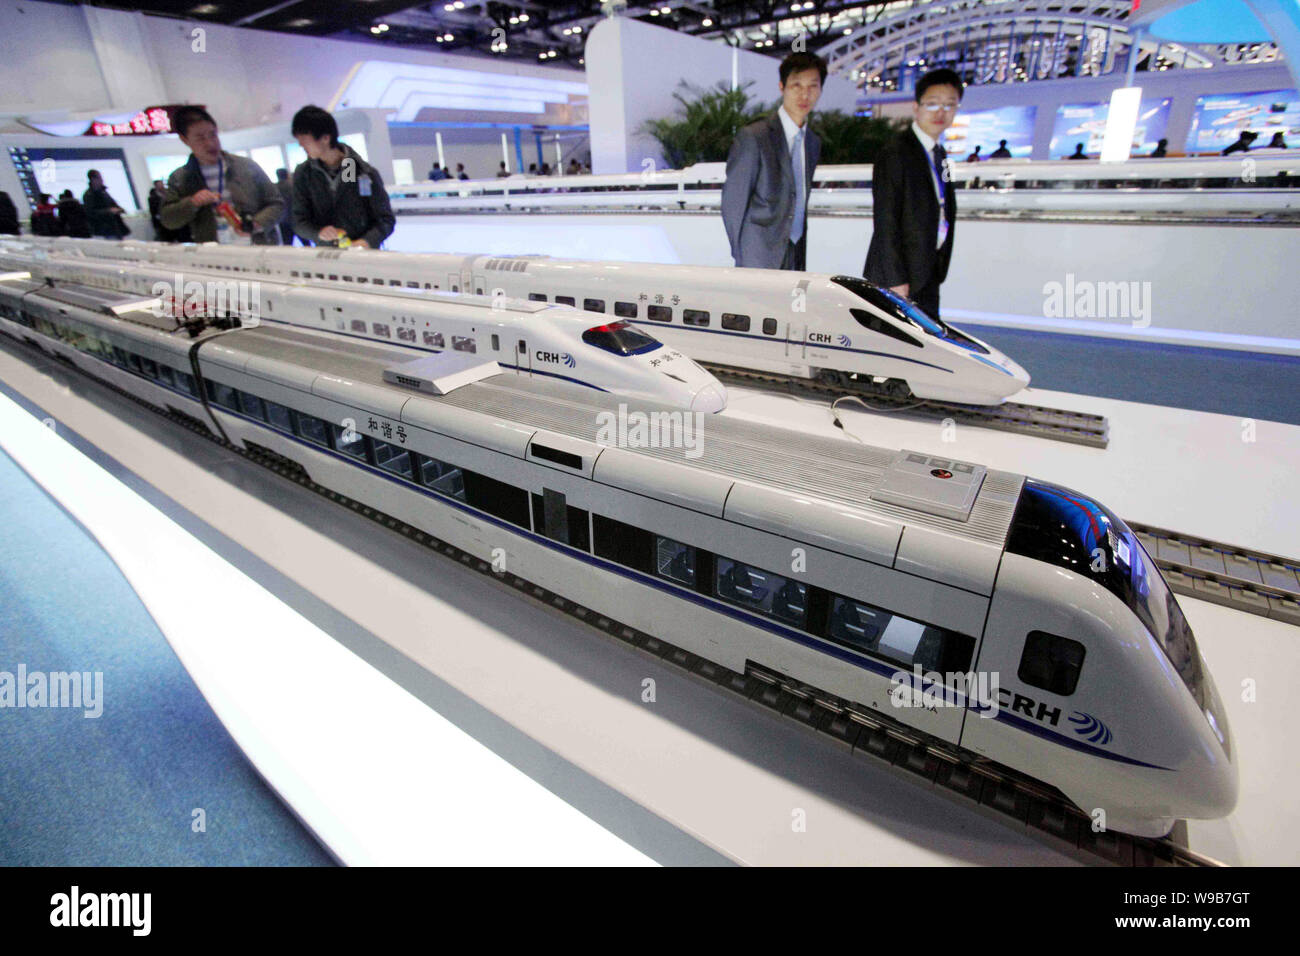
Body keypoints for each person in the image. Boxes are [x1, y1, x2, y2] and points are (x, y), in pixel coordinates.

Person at [862, 67, 963, 322]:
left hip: (928, 271)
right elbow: (885, 220)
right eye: (932, 104)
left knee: (926, 346)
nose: (941, 112)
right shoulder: (896, 152)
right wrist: (896, 280)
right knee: (892, 348)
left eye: (949, 105)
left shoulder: (940, 154)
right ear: (916, 107)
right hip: (897, 277)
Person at [721, 51, 825, 270]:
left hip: (795, 251)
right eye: (796, 85)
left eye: (812, 86)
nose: (804, 95)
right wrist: (743, 255)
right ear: (782, 87)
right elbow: (733, 204)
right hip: (758, 256)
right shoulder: (755, 136)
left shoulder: (812, 142)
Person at [159, 106, 283, 245]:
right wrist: (192, 203)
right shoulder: (180, 178)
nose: (210, 143)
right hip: (216, 256)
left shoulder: (247, 166)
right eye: (200, 138)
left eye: (213, 135)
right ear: (184, 140)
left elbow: (277, 204)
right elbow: (168, 220)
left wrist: (256, 223)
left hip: (258, 249)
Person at [290, 104, 395, 249]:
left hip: (361, 257)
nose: (301, 145)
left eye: (305, 140)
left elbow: (385, 220)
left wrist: (366, 241)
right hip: (327, 257)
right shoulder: (305, 174)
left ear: (326, 138)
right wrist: (318, 232)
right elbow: (299, 221)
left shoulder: (359, 170)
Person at [83, 170, 129, 238]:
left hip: (114, 227)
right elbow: (90, 213)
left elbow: (113, 203)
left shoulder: (103, 192)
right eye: (99, 178)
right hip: (103, 229)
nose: (102, 180)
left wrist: (120, 209)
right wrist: (109, 211)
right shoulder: (89, 195)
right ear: (93, 179)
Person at [275, 168, 296, 246]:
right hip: (296, 219)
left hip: (282, 220)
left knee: (287, 244)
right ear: (287, 175)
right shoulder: (294, 186)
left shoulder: (274, 188)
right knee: (307, 244)